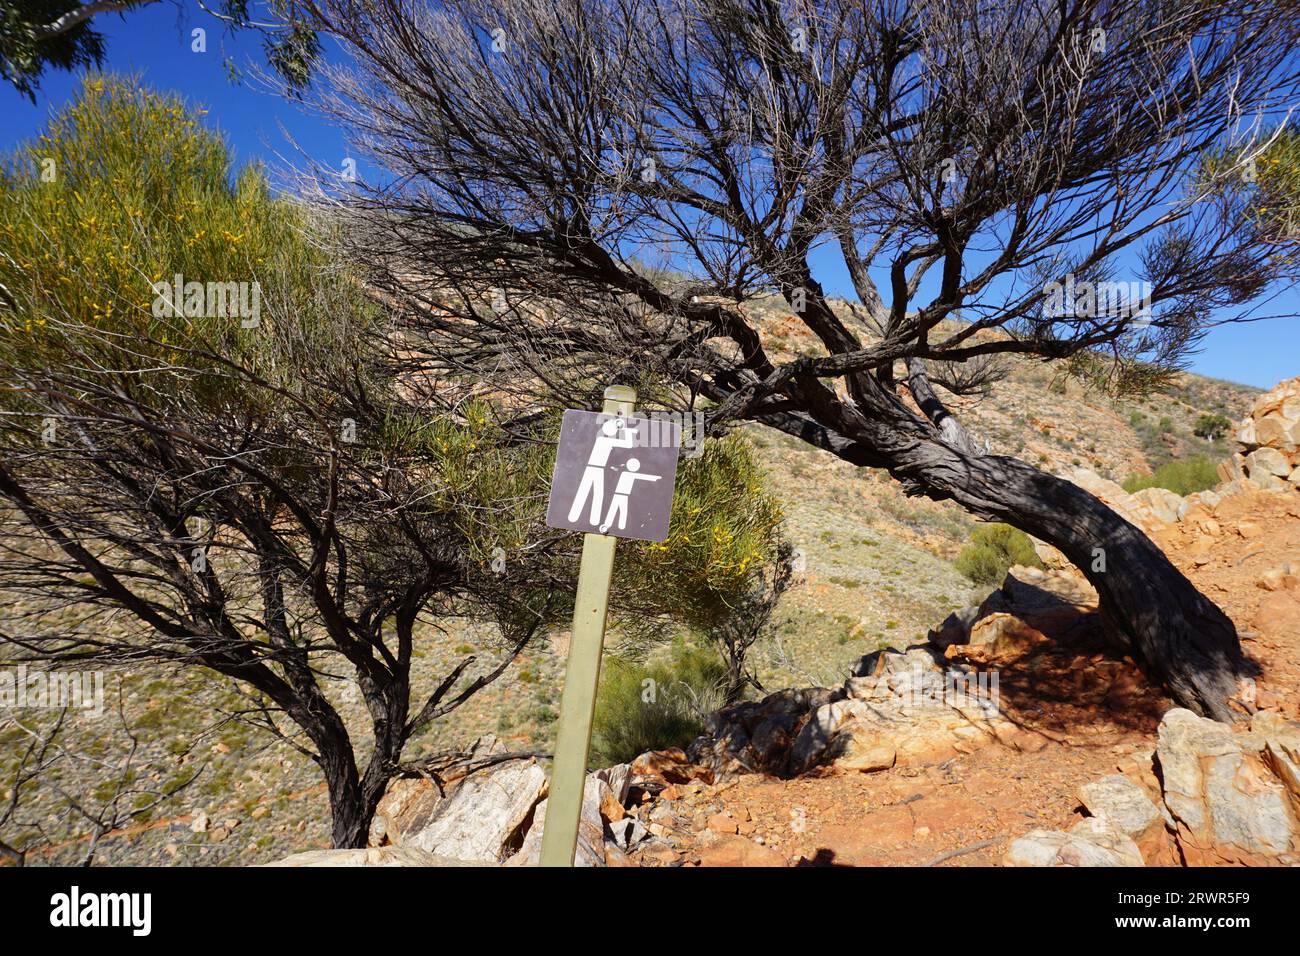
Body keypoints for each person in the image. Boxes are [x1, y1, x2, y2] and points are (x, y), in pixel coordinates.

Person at [567, 417, 637, 525]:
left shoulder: (602, 439)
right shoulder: (604, 440)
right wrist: (629, 432)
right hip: (594, 468)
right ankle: (579, 517)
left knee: (591, 492)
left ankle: (586, 518)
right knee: (590, 491)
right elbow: (627, 444)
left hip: (595, 469)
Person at [599, 458, 661, 533]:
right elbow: (642, 476)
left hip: (623, 495)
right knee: (616, 509)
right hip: (619, 495)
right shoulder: (625, 473)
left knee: (621, 510)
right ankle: (613, 525)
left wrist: (656, 478)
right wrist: (656, 478)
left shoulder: (626, 473)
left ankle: (620, 526)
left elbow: (642, 476)